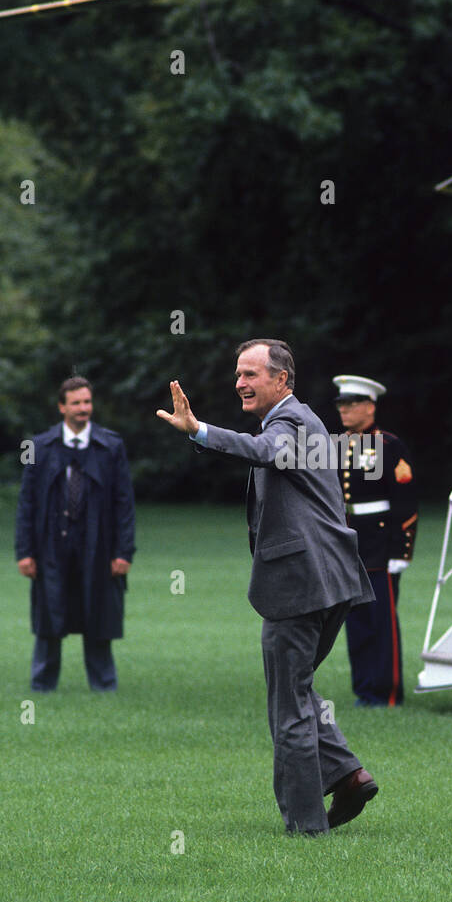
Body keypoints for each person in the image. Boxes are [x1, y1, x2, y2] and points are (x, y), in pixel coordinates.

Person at [156, 339, 378, 835]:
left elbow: (263, 452)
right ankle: (347, 774)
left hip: (301, 585)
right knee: (295, 689)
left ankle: (305, 824)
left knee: (289, 708)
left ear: (282, 380)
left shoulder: (291, 423)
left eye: (252, 374)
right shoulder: (302, 420)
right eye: (238, 374)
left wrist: (199, 430)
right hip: (329, 580)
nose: (240, 382)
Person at [15, 376, 136, 691]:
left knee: (98, 614)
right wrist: (24, 552)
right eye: (76, 403)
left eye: (87, 402)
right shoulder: (39, 447)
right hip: (50, 548)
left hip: (98, 546)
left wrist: (124, 552)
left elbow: (125, 504)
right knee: (48, 615)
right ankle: (42, 684)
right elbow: (26, 503)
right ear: (61, 407)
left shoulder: (111, 446)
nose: (84, 409)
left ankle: (104, 685)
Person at [333, 374, 418, 706]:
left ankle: (387, 692)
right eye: (341, 404)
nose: (344, 410)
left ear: (370, 407)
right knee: (356, 622)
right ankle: (364, 689)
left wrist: (401, 549)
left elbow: (406, 499)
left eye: (351, 404)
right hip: (348, 544)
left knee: (381, 621)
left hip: (381, 544)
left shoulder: (388, 445)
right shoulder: (337, 444)